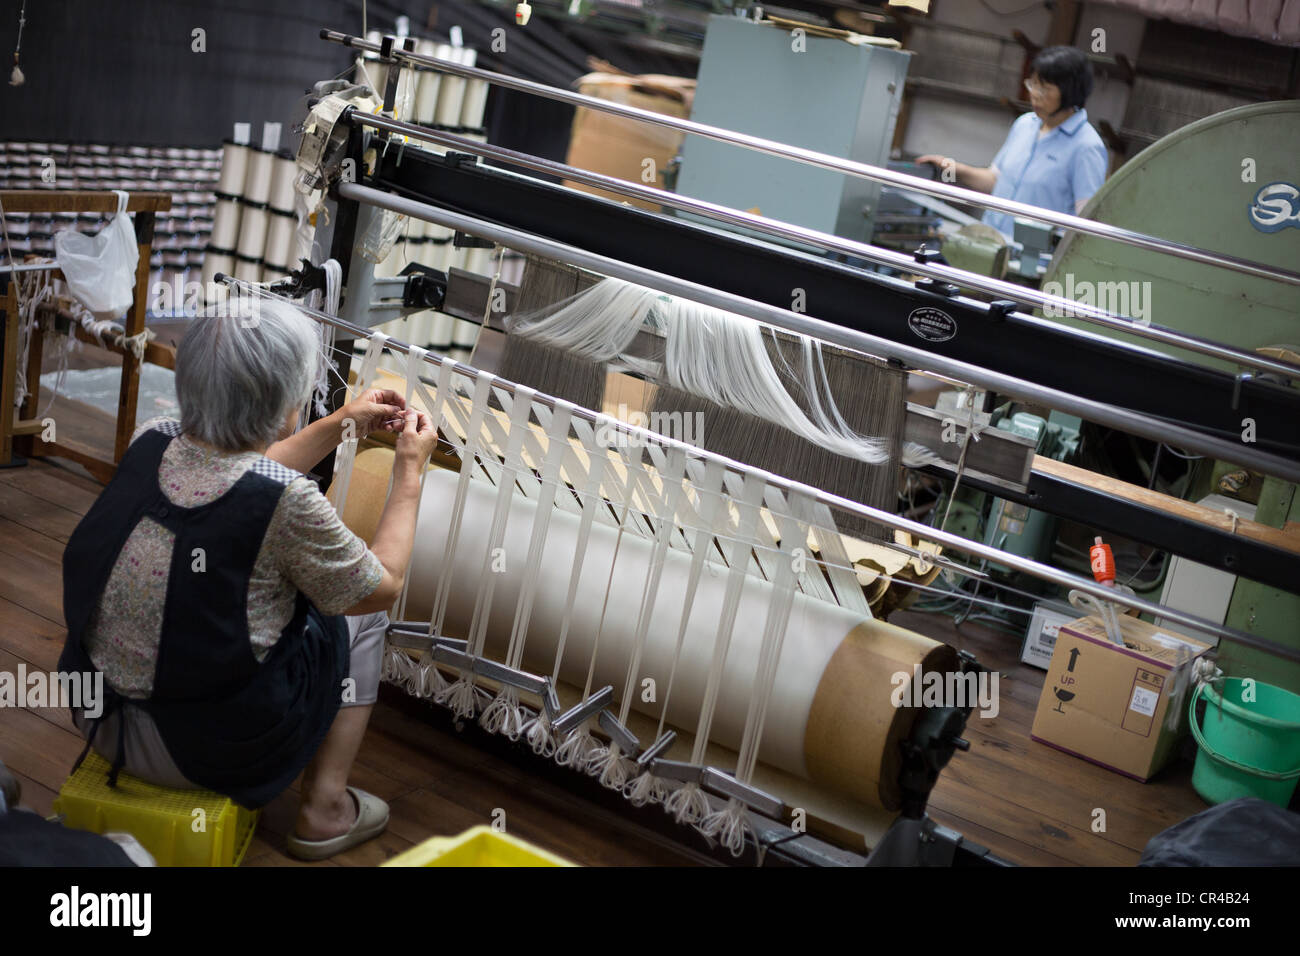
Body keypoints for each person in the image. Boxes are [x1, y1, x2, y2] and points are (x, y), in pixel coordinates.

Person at [59, 298, 439, 861]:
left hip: (95, 715)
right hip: (196, 754)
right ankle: (324, 809)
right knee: (357, 617)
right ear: (287, 403)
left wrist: (339, 425)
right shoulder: (290, 503)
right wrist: (410, 471)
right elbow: (380, 584)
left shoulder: (152, 440)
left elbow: (240, 474)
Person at [917, 45, 1109, 240]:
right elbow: (995, 180)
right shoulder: (1025, 124)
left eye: (1044, 89)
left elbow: (1086, 223)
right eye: (1033, 84)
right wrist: (949, 167)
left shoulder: (1086, 147)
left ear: (1070, 92)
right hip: (990, 244)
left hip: (1034, 261)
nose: (1034, 94)